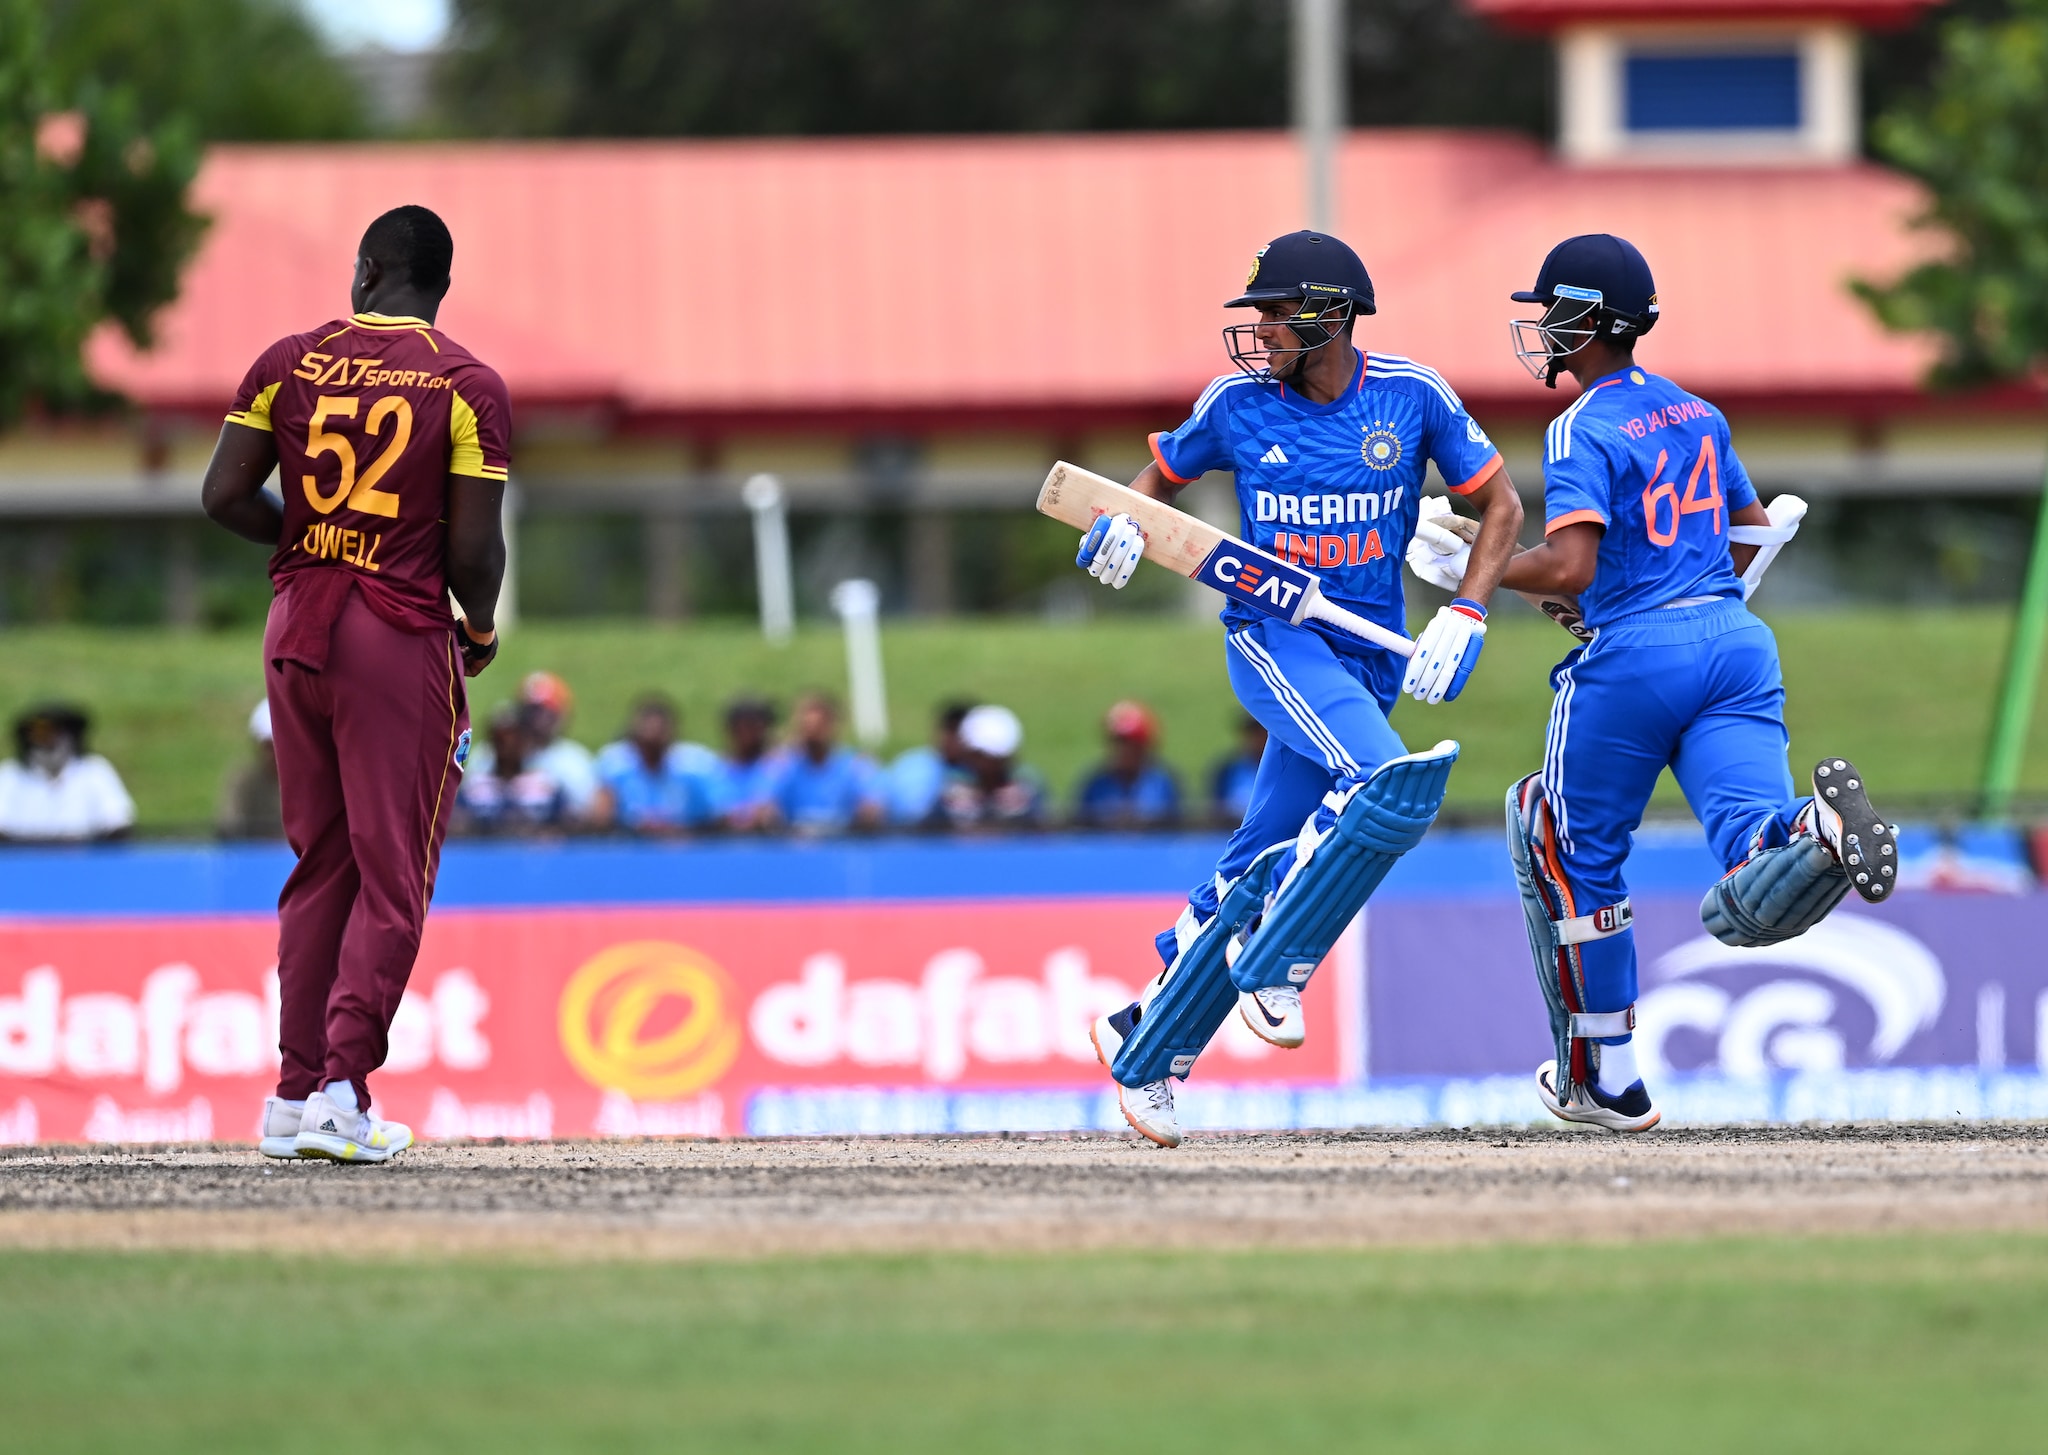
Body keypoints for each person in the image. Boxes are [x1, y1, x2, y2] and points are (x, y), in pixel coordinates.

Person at [1075, 229, 1523, 1147]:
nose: (1263, 331)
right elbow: (1156, 479)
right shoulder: (1236, 404)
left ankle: (1144, 1040)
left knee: (1260, 855)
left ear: (1333, 315)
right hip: (1275, 632)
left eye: (1278, 314)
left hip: (1371, 654)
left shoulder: (1412, 395)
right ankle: (1277, 952)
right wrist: (1122, 521)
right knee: (1386, 782)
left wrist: (1469, 611)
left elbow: (1503, 506)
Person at [1478, 234, 1895, 1133]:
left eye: (1553, 313)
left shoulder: (1578, 425)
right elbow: (1750, 531)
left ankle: (1608, 1078)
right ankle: (1813, 830)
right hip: (1735, 640)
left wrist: (1484, 567)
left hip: (1635, 659)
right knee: (1751, 841)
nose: (1543, 329)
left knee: (1564, 843)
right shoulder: (1697, 412)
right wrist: (1676, 597)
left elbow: (1571, 564)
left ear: (1588, 321)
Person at [200, 203, 509, 1163]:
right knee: (393, 871)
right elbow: (474, 550)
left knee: (319, 864)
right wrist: (479, 627)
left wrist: (303, 538)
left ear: (369, 270)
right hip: (395, 632)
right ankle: (342, 1096)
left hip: (296, 625)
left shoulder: (287, 360)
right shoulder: (465, 384)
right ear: (439, 286)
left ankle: (294, 1095)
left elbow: (222, 495)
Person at [0, 705, 134, 842]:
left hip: (86, 854)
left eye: (56, 734)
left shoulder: (94, 770)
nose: (49, 744)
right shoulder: (11, 774)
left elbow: (118, 822)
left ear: (72, 738)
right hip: (21, 854)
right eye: (41, 736)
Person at [592, 694, 718, 835]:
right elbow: (600, 818)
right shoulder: (615, 765)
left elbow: (713, 815)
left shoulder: (694, 767)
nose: (653, 742)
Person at [769, 691, 886, 835]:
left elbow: (873, 801)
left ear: (832, 726)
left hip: (843, 841)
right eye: (807, 726)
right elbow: (765, 800)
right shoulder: (782, 766)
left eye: (819, 726)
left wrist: (868, 810)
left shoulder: (857, 765)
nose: (813, 733)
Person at [456, 703, 567, 834]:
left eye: (514, 741)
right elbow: (458, 826)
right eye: (501, 740)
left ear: (525, 743)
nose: (508, 747)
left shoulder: (545, 786)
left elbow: (567, 827)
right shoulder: (474, 788)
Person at [937, 704, 1047, 830]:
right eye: (981, 755)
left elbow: (1047, 828)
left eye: (995, 757)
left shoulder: (1028, 784)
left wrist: (1023, 811)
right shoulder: (952, 784)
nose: (987, 763)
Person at [1074, 700, 1182, 828]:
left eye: (1130, 743)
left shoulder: (1162, 783)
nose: (1123, 750)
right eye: (1117, 742)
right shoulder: (1096, 784)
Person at [517, 671, 600, 821]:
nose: (537, 719)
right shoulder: (493, 755)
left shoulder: (575, 762)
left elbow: (589, 815)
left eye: (545, 712)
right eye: (532, 711)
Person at [887, 700, 974, 827]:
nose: (954, 739)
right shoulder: (911, 767)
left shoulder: (982, 770)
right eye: (950, 730)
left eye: (959, 733)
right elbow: (911, 817)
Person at [713, 696, 783, 832]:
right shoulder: (717, 769)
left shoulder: (778, 767)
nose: (747, 732)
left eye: (753, 725)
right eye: (741, 725)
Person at [217, 700, 285, 839]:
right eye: (268, 747)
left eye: (279, 745)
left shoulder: (310, 780)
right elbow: (229, 824)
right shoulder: (244, 781)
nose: (274, 754)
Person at [1208, 714, 1268, 828]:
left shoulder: (1287, 769)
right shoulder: (1228, 770)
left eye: (1264, 733)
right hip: (1232, 829)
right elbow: (1215, 808)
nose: (1259, 739)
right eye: (1254, 733)